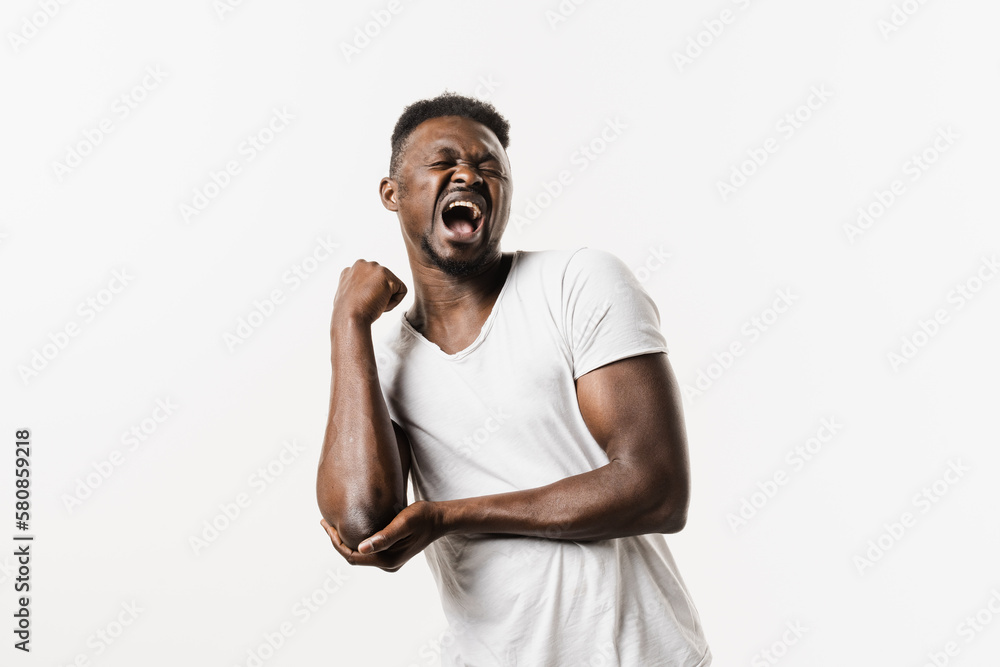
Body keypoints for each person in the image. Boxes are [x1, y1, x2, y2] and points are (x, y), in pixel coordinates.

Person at [316, 92, 712, 666]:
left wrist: (450, 515)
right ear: (392, 193)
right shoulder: (383, 360)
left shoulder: (578, 283)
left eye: (488, 167)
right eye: (443, 162)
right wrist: (347, 327)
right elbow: (361, 525)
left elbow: (656, 490)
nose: (468, 176)